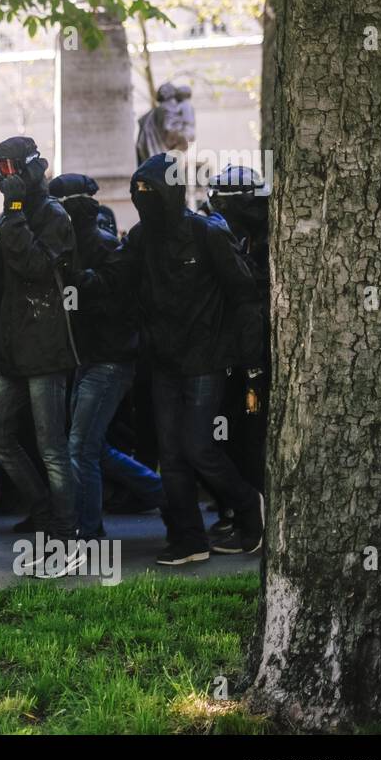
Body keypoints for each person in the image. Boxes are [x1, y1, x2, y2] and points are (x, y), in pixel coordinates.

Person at [83, 153, 264, 562]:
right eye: (138, 190)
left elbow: (243, 294)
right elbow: (115, 277)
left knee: (199, 447)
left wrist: (248, 357)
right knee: (171, 454)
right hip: (164, 360)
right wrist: (80, 281)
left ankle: (250, 507)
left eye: (150, 189)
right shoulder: (143, 238)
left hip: (206, 359)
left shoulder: (206, 233)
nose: (143, 197)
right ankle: (189, 539)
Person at [0, 136, 82, 573]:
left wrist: (12, 214)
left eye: (9, 170)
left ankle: (68, 535)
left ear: (30, 171)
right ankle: (44, 511)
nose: (2, 179)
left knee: (52, 448)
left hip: (46, 348)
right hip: (14, 350)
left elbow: (34, 267)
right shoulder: (18, 216)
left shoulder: (52, 215)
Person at [49, 173, 165, 541]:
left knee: (80, 447)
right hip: (92, 358)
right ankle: (163, 494)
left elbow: (117, 302)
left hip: (108, 359)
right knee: (92, 446)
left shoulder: (100, 245)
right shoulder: (77, 243)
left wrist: (82, 284)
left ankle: (88, 530)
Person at [205, 165, 271, 534]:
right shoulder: (238, 235)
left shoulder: (262, 237)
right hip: (242, 352)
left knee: (249, 433)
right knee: (231, 433)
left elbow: (253, 301)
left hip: (255, 356)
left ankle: (255, 513)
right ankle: (241, 509)